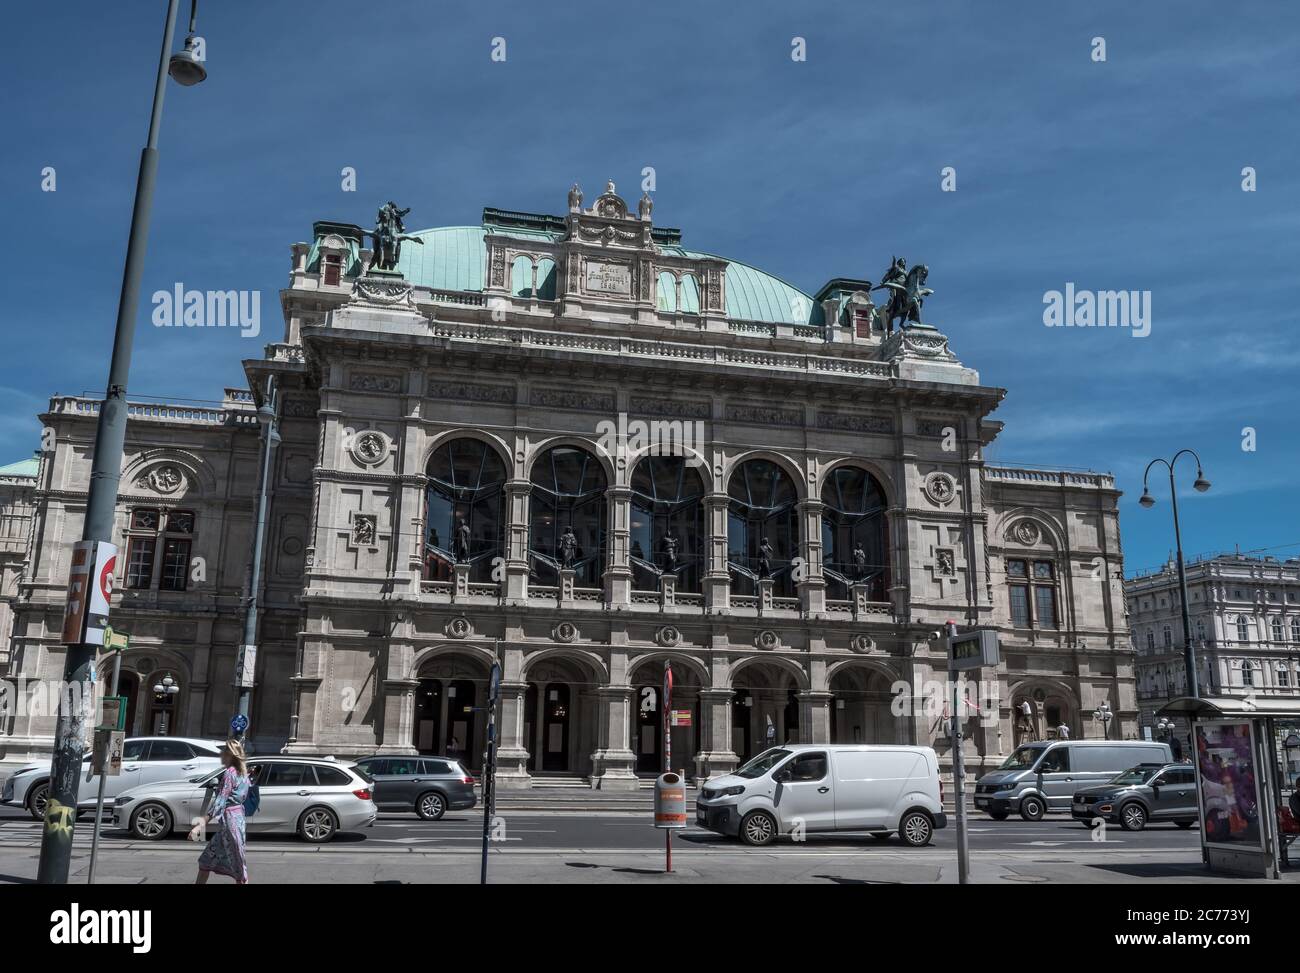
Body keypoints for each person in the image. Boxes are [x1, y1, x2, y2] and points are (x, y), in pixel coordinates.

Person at [191, 740, 250, 885]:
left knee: (239, 868)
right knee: (206, 860)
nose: (220, 755)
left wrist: (200, 825)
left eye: (223, 751)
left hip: (231, 824)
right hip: (236, 821)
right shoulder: (243, 773)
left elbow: (219, 803)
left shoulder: (230, 773)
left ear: (230, 754)